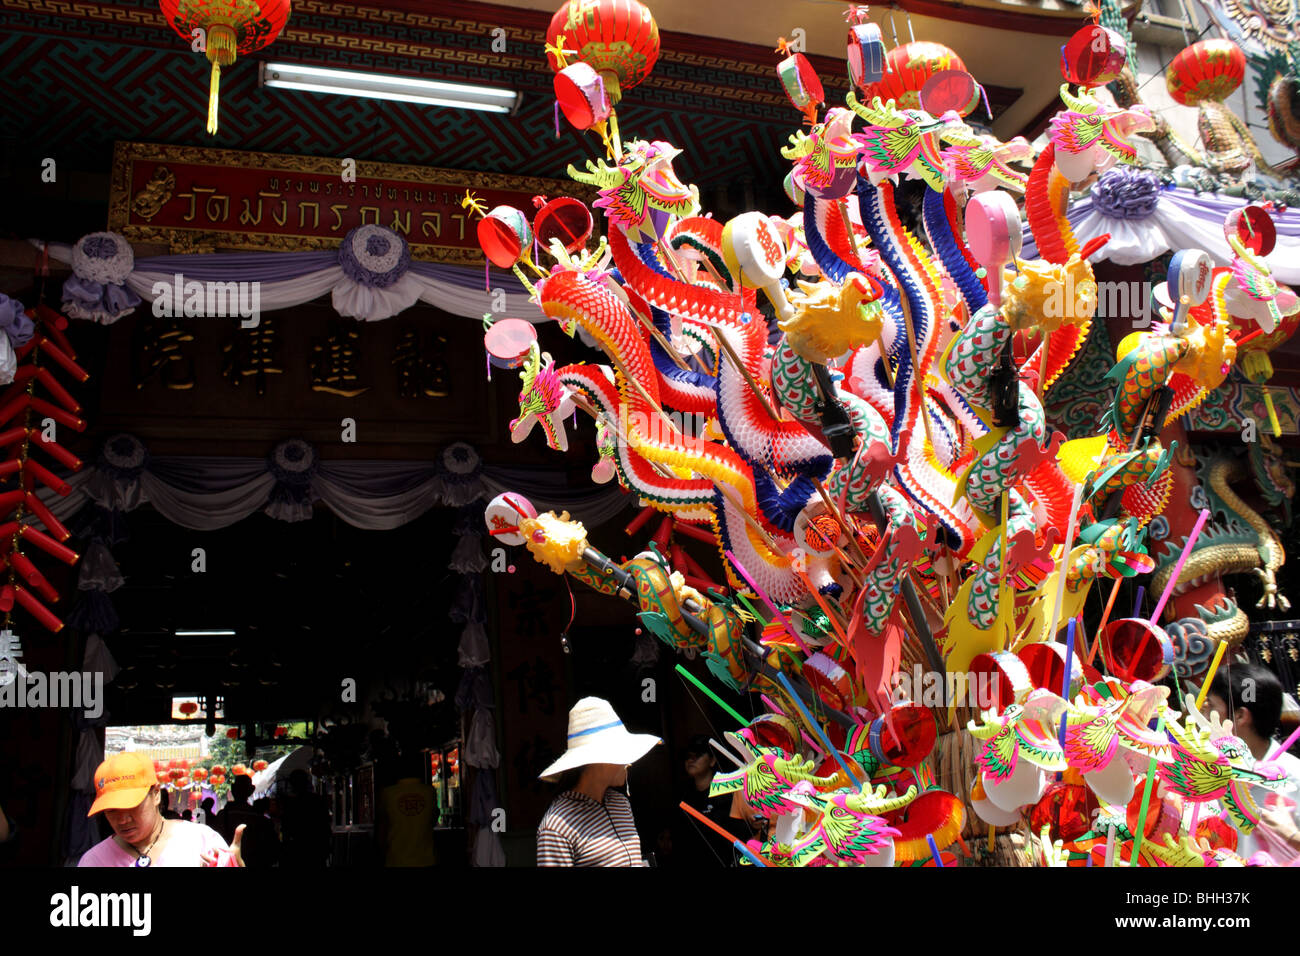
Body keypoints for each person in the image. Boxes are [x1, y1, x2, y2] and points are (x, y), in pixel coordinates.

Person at [536, 697, 660, 867]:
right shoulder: (556, 828)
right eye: (623, 751)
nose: (629, 762)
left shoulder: (621, 804)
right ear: (600, 758)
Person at [1204, 662, 1300, 864]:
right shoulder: (1207, 771)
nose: (1203, 712)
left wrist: (1292, 837)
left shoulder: (1293, 776)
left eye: (1211, 705)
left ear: (1240, 716)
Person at [78, 752, 245, 867]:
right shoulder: (94, 861)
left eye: (131, 805)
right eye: (112, 810)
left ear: (156, 794)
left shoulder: (200, 841)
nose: (122, 820)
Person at [675, 735, 761, 866]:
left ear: (712, 760)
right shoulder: (685, 799)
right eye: (687, 756)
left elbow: (749, 827)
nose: (691, 760)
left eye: (697, 755)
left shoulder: (729, 792)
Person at [377, 750, 438, 867]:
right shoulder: (429, 792)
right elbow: (433, 820)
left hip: (396, 859)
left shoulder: (388, 793)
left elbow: (382, 828)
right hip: (425, 859)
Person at [215, 774, 279, 867]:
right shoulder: (262, 820)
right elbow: (273, 852)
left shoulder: (222, 816)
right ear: (252, 790)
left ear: (233, 789)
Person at [279, 769, 331, 867]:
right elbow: (325, 824)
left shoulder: (291, 804)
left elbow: (286, 829)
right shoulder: (316, 800)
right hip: (316, 847)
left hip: (297, 849)